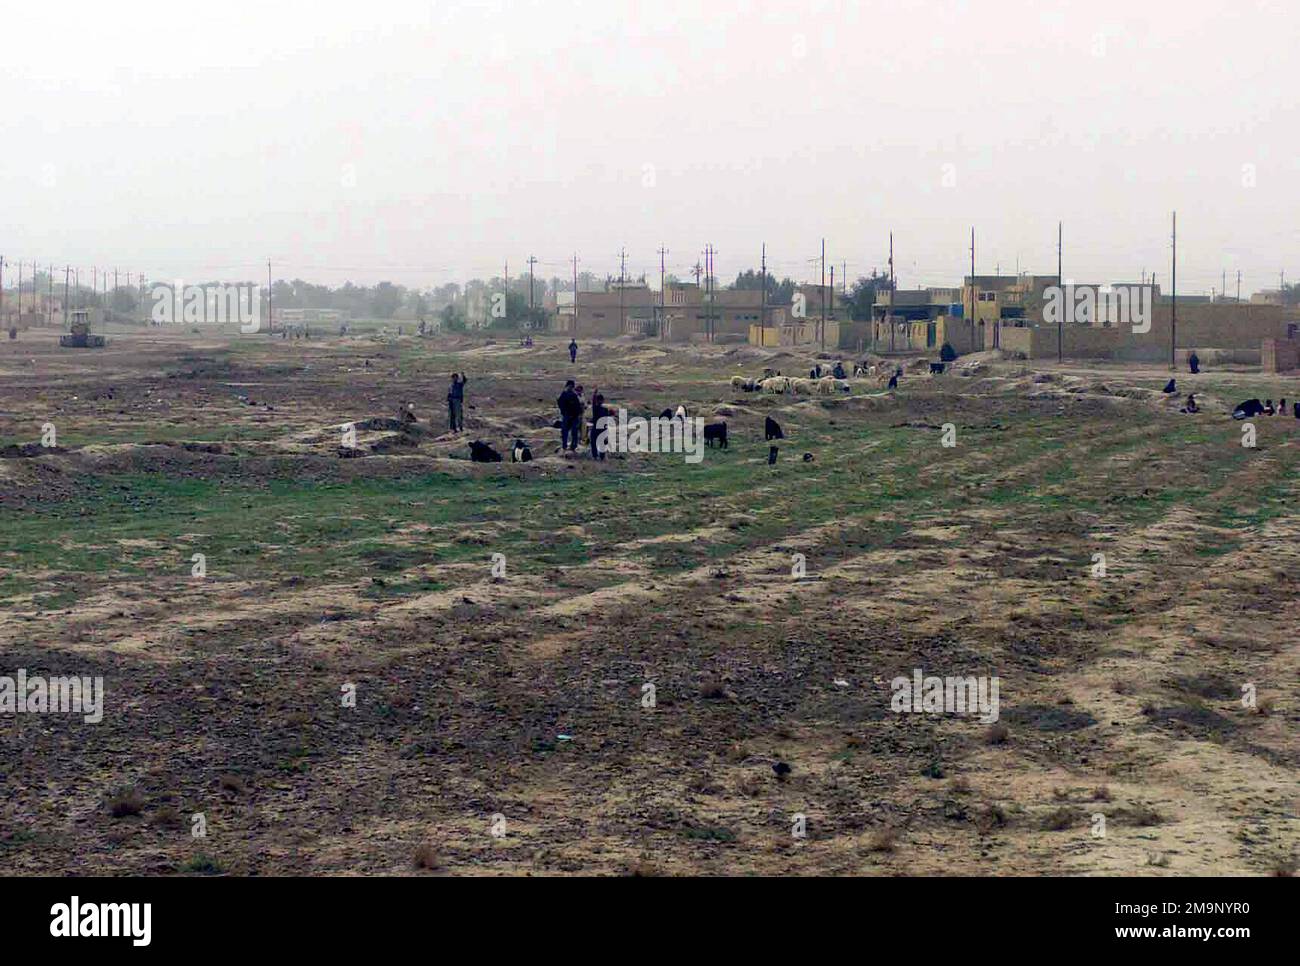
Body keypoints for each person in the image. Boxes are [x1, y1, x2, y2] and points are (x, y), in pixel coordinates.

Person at [557, 380, 582, 452]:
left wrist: (578, 414)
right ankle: (564, 446)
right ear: (567, 386)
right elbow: (560, 404)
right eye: (569, 386)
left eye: (572, 386)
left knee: (574, 432)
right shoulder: (564, 394)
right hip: (567, 416)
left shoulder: (574, 395)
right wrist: (564, 412)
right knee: (565, 432)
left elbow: (578, 406)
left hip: (574, 416)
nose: (570, 388)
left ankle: (573, 446)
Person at [590, 392, 610, 460]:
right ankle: (598, 456)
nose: (600, 401)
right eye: (599, 400)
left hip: (598, 427)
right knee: (596, 443)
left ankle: (598, 456)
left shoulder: (602, 409)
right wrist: (594, 395)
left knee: (596, 442)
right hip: (600, 428)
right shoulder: (601, 409)